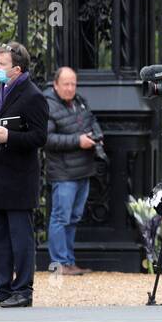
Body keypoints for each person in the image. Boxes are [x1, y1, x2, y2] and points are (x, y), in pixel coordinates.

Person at [0, 42, 48, 309]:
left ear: (16, 69)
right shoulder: (1, 90)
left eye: (1, 64)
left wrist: (10, 136)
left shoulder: (33, 95)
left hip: (18, 178)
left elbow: (40, 137)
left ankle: (23, 290)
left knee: (20, 236)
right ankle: (2, 287)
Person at [42, 66, 103, 276]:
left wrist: (97, 135)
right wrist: (78, 141)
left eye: (73, 84)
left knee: (74, 218)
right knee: (60, 218)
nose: (70, 88)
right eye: (66, 84)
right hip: (63, 172)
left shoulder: (80, 101)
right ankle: (59, 263)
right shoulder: (48, 105)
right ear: (56, 84)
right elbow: (46, 139)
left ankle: (69, 261)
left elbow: (92, 120)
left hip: (83, 170)